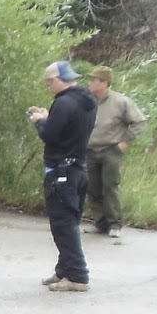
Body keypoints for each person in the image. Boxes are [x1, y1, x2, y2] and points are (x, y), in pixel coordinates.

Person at [28, 61, 98, 292]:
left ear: (58, 80)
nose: (49, 87)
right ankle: (64, 270)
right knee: (69, 221)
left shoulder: (64, 102)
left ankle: (78, 276)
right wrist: (50, 117)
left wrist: (40, 121)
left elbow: (50, 135)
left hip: (61, 171)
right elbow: (68, 128)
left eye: (49, 82)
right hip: (78, 168)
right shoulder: (87, 101)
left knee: (63, 225)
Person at [84, 64, 146, 241]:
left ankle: (115, 223)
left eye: (93, 79)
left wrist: (125, 142)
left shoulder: (121, 101)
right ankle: (100, 222)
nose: (90, 83)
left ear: (104, 82)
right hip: (89, 150)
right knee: (92, 187)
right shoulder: (88, 100)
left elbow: (139, 122)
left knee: (110, 186)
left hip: (111, 149)